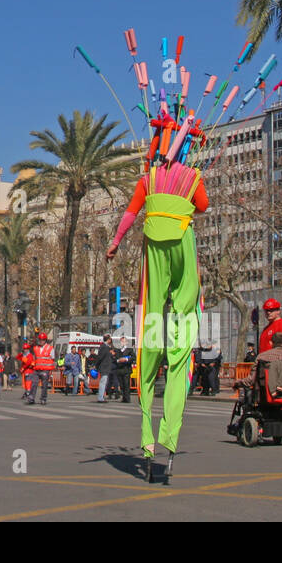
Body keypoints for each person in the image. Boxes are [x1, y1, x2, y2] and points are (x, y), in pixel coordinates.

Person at [107, 108, 208, 465]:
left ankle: (148, 438)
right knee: (184, 311)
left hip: (154, 247)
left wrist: (116, 243)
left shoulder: (147, 179)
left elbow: (130, 214)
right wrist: (185, 199)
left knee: (152, 316)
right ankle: (171, 432)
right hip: (182, 242)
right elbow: (204, 206)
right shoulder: (192, 175)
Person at [30, 332, 54, 405]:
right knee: (34, 383)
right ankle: (31, 398)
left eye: (43, 340)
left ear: (45, 340)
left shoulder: (50, 348)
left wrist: (50, 370)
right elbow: (34, 358)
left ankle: (43, 398)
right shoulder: (36, 348)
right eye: (40, 339)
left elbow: (52, 359)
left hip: (45, 370)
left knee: (44, 385)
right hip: (36, 369)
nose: (41, 341)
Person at [95, 337, 115, 402]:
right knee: (103, 382)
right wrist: (97, 365)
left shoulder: (106, 347)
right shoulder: (104, 347)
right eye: (110, 340)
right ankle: (100, 398)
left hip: (105, 367)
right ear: (108, 340)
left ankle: (101, 397)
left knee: (104, 382)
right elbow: (100, 357)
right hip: (104, 367)